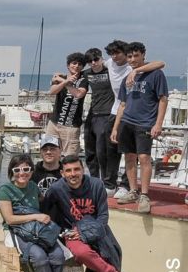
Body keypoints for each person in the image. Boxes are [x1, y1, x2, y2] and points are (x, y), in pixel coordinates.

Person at [44, 156, 137, 272]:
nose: (73, 174)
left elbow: (103, 217)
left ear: (83, 169)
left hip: (97, 231)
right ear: (63, 173)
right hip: (72, 232)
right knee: (81, 253)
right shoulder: (56, 190)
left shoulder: (96, 185)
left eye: (77, 169)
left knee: (106, 271)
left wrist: (85, 232)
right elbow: (47, 215)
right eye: (69, 171)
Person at [111, 41, 170, 214]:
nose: (133, 59)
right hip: (126, 123)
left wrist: (158, 123)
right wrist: (116, 127)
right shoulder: (126, 78)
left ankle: (144, 195)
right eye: (130, 56)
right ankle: (133, 191)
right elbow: (122, 104)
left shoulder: (156, 74)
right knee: (129, 158)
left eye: (136, 55)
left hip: (145, 123)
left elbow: (163, 99)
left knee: (144, 158)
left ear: (143, 55)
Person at [0, 154, 65, 272]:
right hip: (16, 230)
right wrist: (36, 216)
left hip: (36, 229)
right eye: (17, 170)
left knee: (58, 255)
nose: (22, 173)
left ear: (32, 171)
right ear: (12, 172)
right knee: (39, 256)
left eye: (26, 169)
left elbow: (46, 201)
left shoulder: (34, 187)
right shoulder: (5, 190)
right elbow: (9, 219)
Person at [82, 48, 117, 191]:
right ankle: (95, 181)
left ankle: (108, 183)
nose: (93, 63)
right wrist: (58, 77)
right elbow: (73, 77)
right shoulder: (86, 73)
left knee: (103, 151)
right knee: (90, 150)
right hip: (93, 114)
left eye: (96, 59)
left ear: (101, 58)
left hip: (107, 113)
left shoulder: (111, 71)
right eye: (90, 61)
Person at [45, 52, 89, 156]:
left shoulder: (83, 80)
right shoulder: (61, 77)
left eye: (79, 64)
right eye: (74, 63)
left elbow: (78, 94)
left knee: (70, 158)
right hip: (54, 124)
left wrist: (63, 81)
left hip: (71, 127)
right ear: (68, 65)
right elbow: (52, 91)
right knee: (50, 154)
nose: (76, 66)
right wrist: (64, 81)